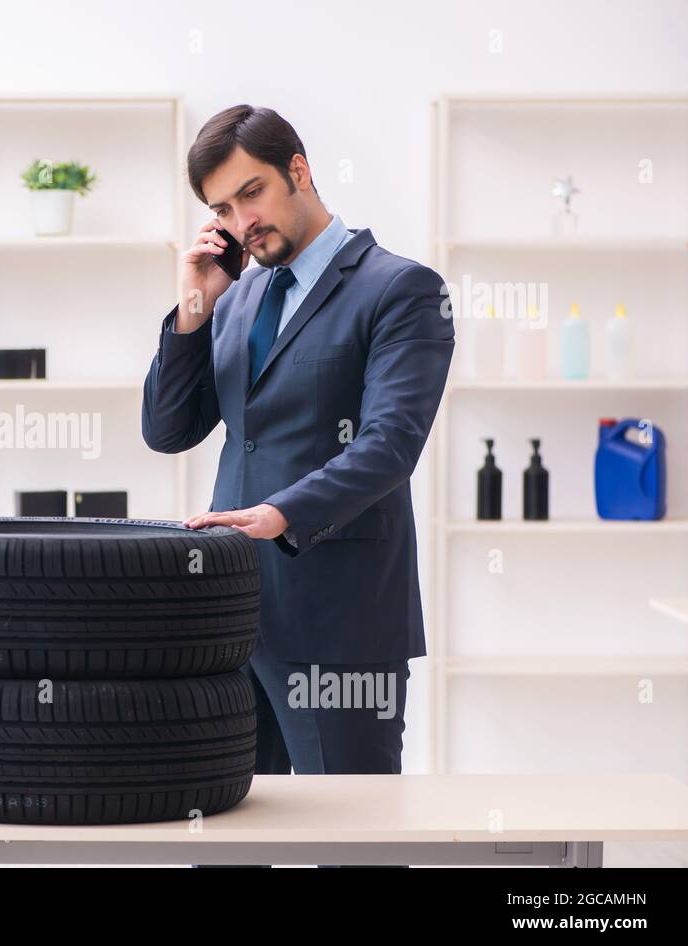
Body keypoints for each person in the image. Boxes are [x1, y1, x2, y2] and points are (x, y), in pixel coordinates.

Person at [141, 106, 454, 865]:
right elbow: (167, 428)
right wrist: (194, 303)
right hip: (230, 625)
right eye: (220, 208)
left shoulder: (400, 289)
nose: (240, 220)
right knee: (224, 848)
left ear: (299, 171)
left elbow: (389, 446)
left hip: (339, 626)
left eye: (251, 193)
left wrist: (281, 513)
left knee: (352, 850)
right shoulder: (237, 297)